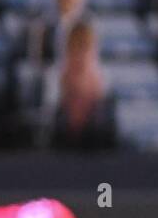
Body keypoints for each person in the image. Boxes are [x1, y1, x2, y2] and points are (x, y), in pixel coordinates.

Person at [46, 17, 115, 150]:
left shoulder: (100, 73)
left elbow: (101, 100)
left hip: (93, 131)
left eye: (84, 43)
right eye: (77, 43)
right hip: (66, 129)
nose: (80, 49)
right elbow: (54, 102)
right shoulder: (60, 71)